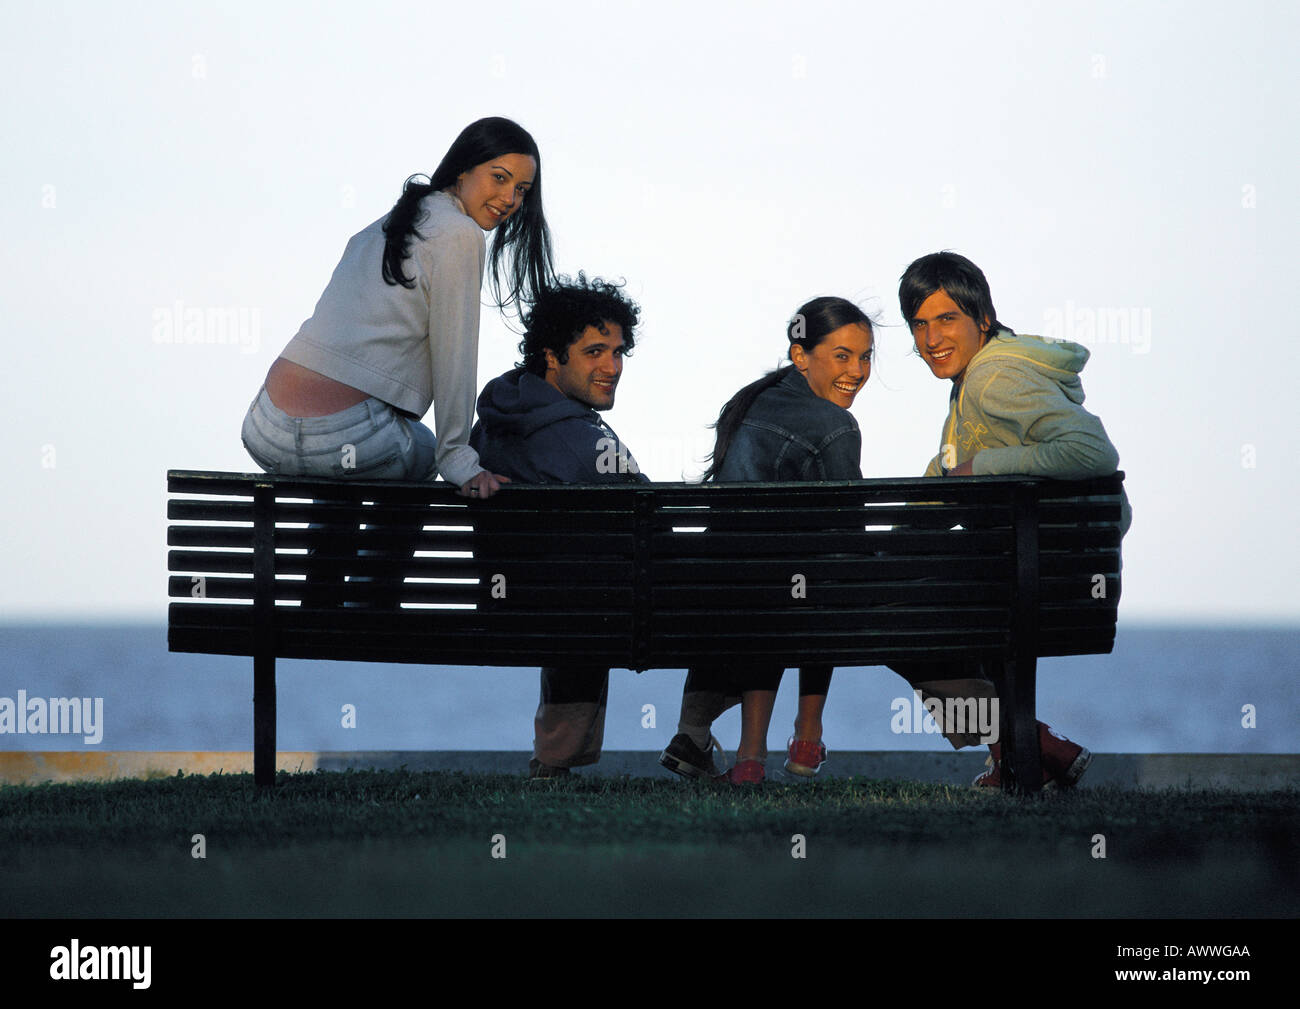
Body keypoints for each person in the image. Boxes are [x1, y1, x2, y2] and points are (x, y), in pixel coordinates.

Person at [895, 250, 1131, 788]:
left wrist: (984, 467)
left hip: (1036, 578)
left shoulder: (992, 377)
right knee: (914, 597)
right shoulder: (982, 374)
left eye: (946, 319)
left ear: (982, 318)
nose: (931, 339)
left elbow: (1092, 451)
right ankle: (1017, 752)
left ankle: (1024, 741)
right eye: (920, 324)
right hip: (1048, 572)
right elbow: (955, 465)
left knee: (892, 616)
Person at [240, 116, 555, 500]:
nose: (510, 200)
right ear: (463, 170)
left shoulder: (383, 227)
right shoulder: (460, 232)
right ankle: (381, 564)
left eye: (521, 190)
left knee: (349, 472)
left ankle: (328, 561)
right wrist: (456, 456)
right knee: (424, 457)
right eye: (500, 178)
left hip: (264, 425)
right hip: (342, 437)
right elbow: (454, 356)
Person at [659, 297, 874, 785]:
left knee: (782, 581)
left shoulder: (750, 400)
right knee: (821, 583)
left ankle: (749, 755)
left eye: (865, 357)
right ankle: (807, 735)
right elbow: (850, 539)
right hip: (785, 599)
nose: (857, 370)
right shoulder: (835, 425)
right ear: (800, 355)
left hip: (727, 592)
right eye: (841, 355)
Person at [469, 274, 646, 778]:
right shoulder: (577, 436)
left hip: (508, 602)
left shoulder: (499, 413)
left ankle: (556, 760)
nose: (611, 368)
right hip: (570, 608)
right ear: (552, 356)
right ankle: (698, 738)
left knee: (587, 580)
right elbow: (654, 513)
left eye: (618, 354)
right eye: (595, 352)